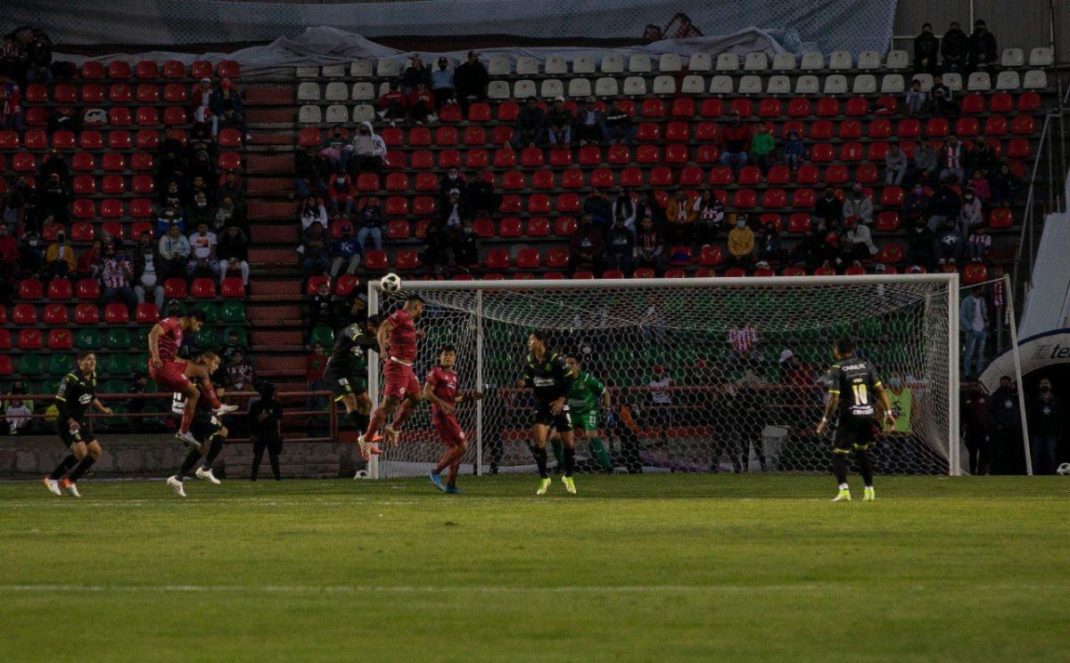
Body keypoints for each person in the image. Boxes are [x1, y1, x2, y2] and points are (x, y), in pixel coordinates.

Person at [816, 339, 896, 502]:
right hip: (867, 414)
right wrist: (888, 413)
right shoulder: (866, 365)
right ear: (852, 350)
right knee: (862, 451)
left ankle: (844, 490)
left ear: (837, 350)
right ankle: (869, 491)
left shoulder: (837, 368)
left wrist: (825, 420)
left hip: (850, 415)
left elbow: (834, 398)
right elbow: (880, 390)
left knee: (839, 453)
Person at [147, 311, 237, 447]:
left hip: (169, 363)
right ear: (193, 318)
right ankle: (184, 431)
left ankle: (217, 406)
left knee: (202, 370)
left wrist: (186, 363)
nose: (198, 329)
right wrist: (155, 356)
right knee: (195, 393)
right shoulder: (172, 322)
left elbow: (171, 355)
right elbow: (152, 334)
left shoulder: (181, 333)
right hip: (162, 366)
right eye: (199, 325)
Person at [359, 295, 425, 460]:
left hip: (408, 368)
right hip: (397, 366)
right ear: (416, 307)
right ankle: (366, 439)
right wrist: (382, 350)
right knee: (389, 404)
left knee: (416, 397)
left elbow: (398, 336)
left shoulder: (407, 321)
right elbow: (383, 329)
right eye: (421, 308)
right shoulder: (402, 315)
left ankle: (394, 427)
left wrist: (416, 335)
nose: (421, 312)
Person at [41, 352, 114, 498]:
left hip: (79, 422)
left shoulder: (92, 377)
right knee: (81, 452)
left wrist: (103, 409)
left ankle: (70, 481)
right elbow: (59, 401)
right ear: (80, 362)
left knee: (96, 451)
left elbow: (91, 395)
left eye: (94, 359)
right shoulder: (71, 378)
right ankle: (52, 478)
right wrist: (70, 421)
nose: (92, 362)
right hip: (66, 422)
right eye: (88, 359)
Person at [518, 331, 576, 495]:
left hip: (559, 403)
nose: (529, 342)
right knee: (539, 442)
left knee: (569, 444)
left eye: (532, 339)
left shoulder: (555, 359)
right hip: (541, 404)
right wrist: (524, 383)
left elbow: (570, 379)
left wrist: (561, 400)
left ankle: (568, 476)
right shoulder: (530, 361)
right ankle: (544, 477)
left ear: (540, 341)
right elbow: (530, 380)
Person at [165, 355, 229, 497]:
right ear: (206, 361)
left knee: (202, 447)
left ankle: (178, 478)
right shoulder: (199, 376)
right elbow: (200, 398)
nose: (216, 367)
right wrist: (217, 401)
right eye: (215, 363)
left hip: (179, 413)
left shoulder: (185, 373)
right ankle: (206, 468)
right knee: (223, 431)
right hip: (192, 415)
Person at [425, 345, 483, 493]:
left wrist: (470, 397)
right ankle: (435, 471)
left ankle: (451, 485)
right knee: (463, 446)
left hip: (449, 414)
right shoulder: (435, 372)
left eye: (451, 355)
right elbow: (426, 393)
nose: (447, 357)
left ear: (455, 358)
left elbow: (454, 398)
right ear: (440, 357)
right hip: (441, 415)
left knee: (456, 449)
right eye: (445, 355)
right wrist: (442, 404)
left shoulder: (454, 375)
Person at [323, 312, 381, 439]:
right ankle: (364, 433)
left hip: (348, 374)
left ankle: (364, 435)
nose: (379, 333)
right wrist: (381, 339)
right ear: (370, 325)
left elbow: (381, 348)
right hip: (335, 372)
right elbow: (361, 340)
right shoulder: (353, 328)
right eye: (378, 330)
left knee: (367, 403)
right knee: (350, 398)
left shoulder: (370, 337)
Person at [563, 354, 613, 472]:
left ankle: (608, 468)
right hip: (572, 413)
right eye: (566, 363)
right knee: (556, 436)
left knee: (591, 435)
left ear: (578, 366)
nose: (568, 366)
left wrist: (607, 411)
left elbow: (605, 393)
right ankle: (562, 466)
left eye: (572, 363)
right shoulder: (563, 380)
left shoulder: (587, 379)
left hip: (588, 412)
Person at [249, 381, 284, 481]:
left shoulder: (272, 404)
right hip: (263, 433)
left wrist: (278, 434)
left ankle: (255, 477)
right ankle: (276, 477)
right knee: (261, 456)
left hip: (267, 432)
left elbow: (278, 420)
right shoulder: (272, 404)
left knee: (267, 456)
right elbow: (251, 420)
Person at [988, 375, 1023, 474]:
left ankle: (1016, 472)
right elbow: (990, 412)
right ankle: (1001, 472)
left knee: (1015, 452)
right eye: (1003, 383)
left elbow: (1024, 407)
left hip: (1014, 429)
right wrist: (997, 425)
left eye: (1006, 383)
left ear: (1010, 383)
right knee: (1001, 452)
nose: (1004, 385)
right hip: (1002, 430)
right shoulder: (996, 395)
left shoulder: (1016, 395)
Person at [1027, 379, 1062, 474]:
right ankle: (1034, 475)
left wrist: (1058, 432)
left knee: (1051, 455)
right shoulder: (1034, 401)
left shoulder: (1056, 400)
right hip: (1037, 434)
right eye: (1042, 383)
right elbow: (1030, 417)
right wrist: (1030, 432)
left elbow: (1059, 418)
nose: (1044, 385)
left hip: (1051, 434)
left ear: (1050, 386)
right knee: (1035, 456)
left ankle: (1051, 475)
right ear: (1039, 386)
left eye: (1046, 383)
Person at [961, 382, 991, 475]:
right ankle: (973, 472)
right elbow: (962, 416)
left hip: (984, 431)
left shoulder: (986, 398)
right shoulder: (965, 399)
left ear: (979, 387)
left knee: (984, 453)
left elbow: (990, 413)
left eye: (975, 386)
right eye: (971, 386)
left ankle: (982, 473)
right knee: (972, 453)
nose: (973, 388)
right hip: (971, 431)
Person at [99, 244, 138, 314]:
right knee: (106, 296)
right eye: (119, 253)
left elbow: (131, 278)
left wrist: (124, 268)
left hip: (124, 286)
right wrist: (118, 265)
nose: (120, 255)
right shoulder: (109, 262)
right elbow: (107, 273)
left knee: (133, 297)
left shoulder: (128, 263)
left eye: (122, 253)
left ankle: (128, 313)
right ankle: (107, 313)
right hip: (112, 286)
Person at [960, 287, 988, 380]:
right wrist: (969, 328)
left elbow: (984, 314)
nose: (982, 291)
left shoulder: (982, 300)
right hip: (972, 330)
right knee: (969, 353)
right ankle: (967, 373)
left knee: (980, 352)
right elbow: (962, 316)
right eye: (980, 289)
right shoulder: (966, 301)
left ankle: (979, 372)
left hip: (982, 329)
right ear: (975, 290)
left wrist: (986, 323)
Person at [452, 50, 488, 115]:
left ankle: (478, 114)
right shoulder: (461, 68)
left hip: (478, 89)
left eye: (477, 57)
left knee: (481, 96)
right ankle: (465, 115)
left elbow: (485, 78)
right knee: (461, 97)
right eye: (475, 56)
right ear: (470, 57)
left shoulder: (480, 67)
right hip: (466, 89)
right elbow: (456, 79)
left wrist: (481, 85)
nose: (477, 58)